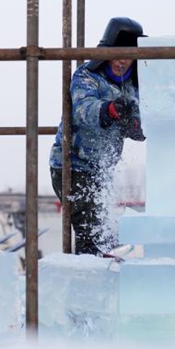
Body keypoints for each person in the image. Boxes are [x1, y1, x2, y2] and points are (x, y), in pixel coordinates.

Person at [49, 17, 146, 256]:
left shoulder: (134, 86)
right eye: (117, 53)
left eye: (128, 55)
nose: (122, 61)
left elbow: (143, 126)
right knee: (91, 231)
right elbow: (83, 110)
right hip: (72, 166)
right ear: (106, 52)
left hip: (99, 170)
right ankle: (86, 278)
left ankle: (97, 269)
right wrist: (110, 110)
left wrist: (134, 125)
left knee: (102, 229)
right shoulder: (87, 76)